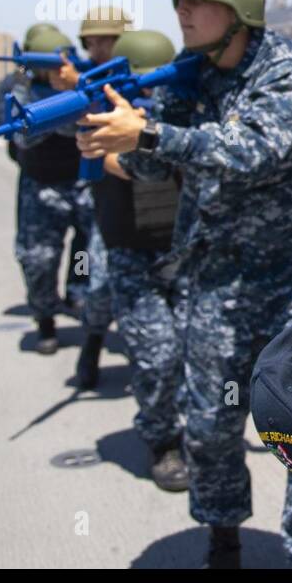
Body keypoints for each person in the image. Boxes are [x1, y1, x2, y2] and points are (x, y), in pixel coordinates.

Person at [77, 0, 292, 568]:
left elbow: (251, 148)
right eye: (177, 0)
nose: (181, 11)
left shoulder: (287, 68)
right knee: (210, 423)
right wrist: (117, 129)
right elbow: (151, 165)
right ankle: (223, 537)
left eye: (196, 1)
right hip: (220, 274)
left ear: (239, 10)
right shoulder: (189, 72)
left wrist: (147, 133)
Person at [83, 31, 187, 495]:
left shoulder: (186, 114)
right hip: (131, 250)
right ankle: (163, 439)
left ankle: (198, 438)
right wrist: (149, 140)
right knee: (158, 355)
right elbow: (114, 163)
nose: (150, 95)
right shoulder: (96, 117)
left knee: (199, 356)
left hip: (186, 251)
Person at [3, 26, 95, 354]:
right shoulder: (19, 87)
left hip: (82, 182)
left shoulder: (82, 80)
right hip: (40, 184)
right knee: (38, 259)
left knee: (87, 250)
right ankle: (45, 317)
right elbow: (17, 138)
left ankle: (77, 294)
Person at [54, 6, 130, 388]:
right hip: (111, 198)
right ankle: (93, 342)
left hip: (160, 200)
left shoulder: (143, 69)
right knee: (99, 285)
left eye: (104, 39)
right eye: (91, 40)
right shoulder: (84, 78)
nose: (95, 47)